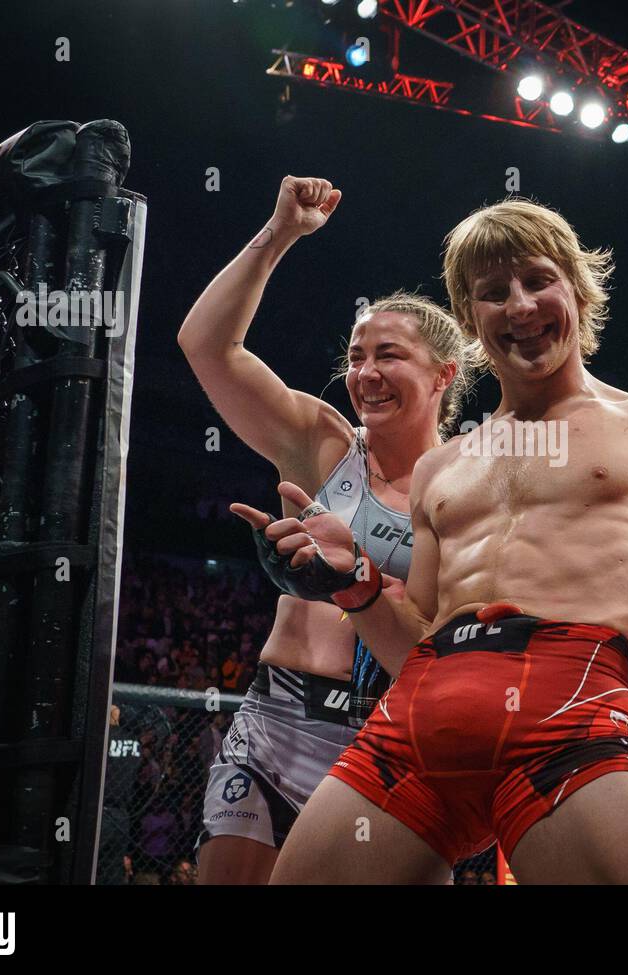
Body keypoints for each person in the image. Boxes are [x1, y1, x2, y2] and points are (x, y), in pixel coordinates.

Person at [234, 197, 628, 884]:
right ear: (468, 319)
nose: (519, 306)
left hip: (567, 718)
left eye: (537, 281)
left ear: (578, 289)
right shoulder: (443, 465)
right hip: (417, 720)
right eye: (492, 292)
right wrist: (354, 583)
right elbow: (413, 645)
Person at [178, 176, 472, 884]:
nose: (364, 373)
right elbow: (206, 345)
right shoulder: (323, 443)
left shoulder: (468, 488)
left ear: (443, 375)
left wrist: (361, 580)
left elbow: (444, 645)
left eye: (388, 356)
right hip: (275, 719)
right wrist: (278, 236)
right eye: (356, 356)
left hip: (389, 734)